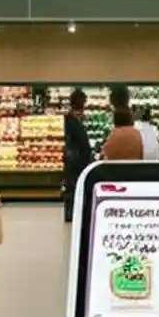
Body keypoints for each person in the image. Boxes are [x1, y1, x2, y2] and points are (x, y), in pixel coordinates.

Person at [63, 88, 94, 223]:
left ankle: (72, 212)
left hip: (73, 159)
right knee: (74, 186)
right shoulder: (73, 121)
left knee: (72, 186)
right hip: (76, 160)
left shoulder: (71, 119)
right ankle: (72, 213)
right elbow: (81, 142)